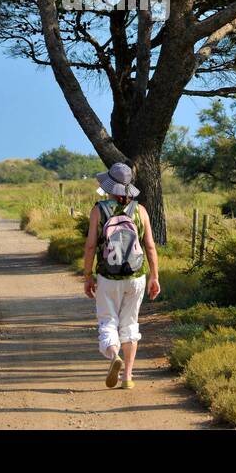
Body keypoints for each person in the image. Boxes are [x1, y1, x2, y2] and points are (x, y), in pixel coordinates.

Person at [83, 162, 160, 390]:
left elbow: (89, 247)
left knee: (108, 322)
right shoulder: (140, 210)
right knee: (130, 324)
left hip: (108, 276)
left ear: (109, 186)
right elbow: (150, 246)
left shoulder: (99, 210)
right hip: (136, 276)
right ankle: (127, 376)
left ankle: (113, 354)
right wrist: (154, 276)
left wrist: (88, 276)